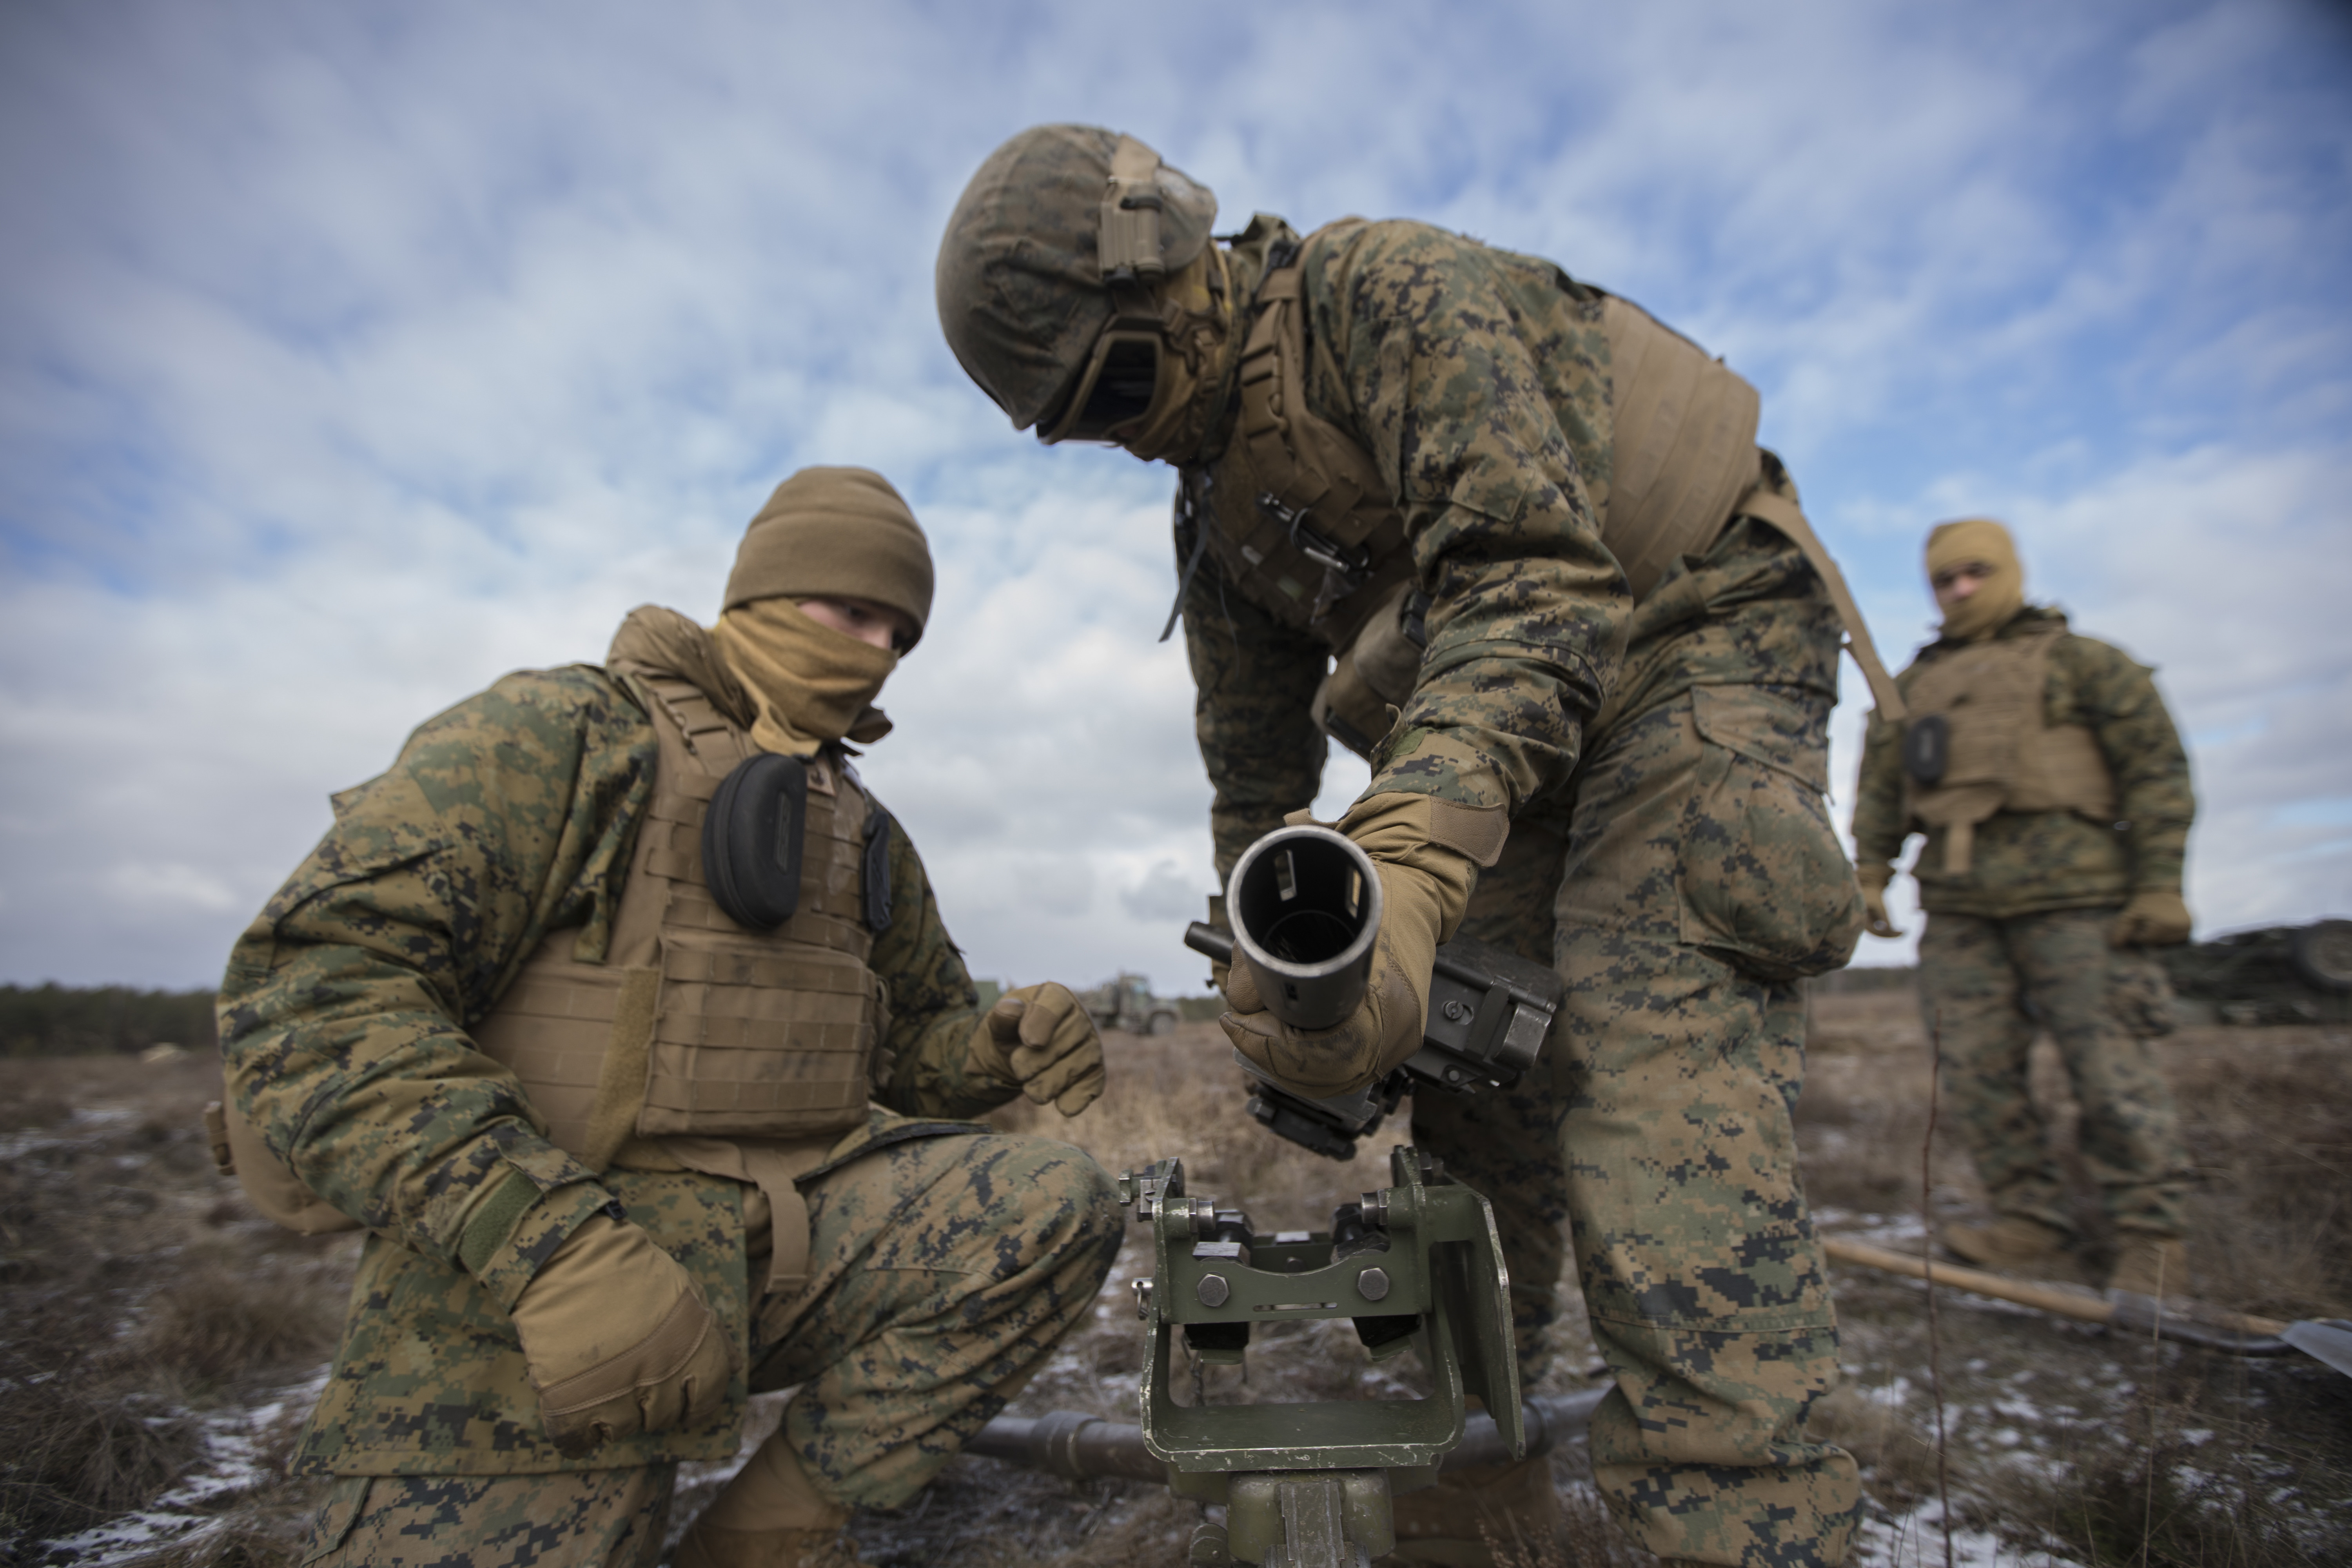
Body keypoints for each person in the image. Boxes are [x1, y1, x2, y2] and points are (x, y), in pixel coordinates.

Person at [935, 125, 1911, 1568]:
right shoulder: (1217, 517)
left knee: (1653, 1074)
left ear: (1177, 259)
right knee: (1479, 1071)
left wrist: (1409, 859)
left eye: (1123, 384)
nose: (1130, 433)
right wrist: (1278, 973)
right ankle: (1472, 1447)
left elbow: (1532, 586)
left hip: (1685, 630)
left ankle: (1747, 1521)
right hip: (1523, 714)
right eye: (1082, 424)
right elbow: (1254, 780)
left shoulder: (1379, 295)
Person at [212, 467, 1122, 1568]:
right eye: (852, 610)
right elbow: (312, 990)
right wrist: (548, 1248)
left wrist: (995, 1044)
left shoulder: (860, 826)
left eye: (899, 633)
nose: (875, 649)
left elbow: (910, 1053)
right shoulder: (564, 733)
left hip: (764, 1255)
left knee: (1050, 1207)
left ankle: (754, 1540)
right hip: (519, 1291)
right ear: (764, 594)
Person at [1850, 517, 2196, 1299]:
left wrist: (2158, 883)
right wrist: (1870, 874)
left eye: (1977, 571)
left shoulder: (2085, 664)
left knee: (2112, 1074)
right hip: (1962, 908)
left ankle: (2153, 1238)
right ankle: (2032, 1224)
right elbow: (1880, 790)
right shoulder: (1913, 686)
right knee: (1976, 1074)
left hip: (2083, 901)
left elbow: (2155, 770)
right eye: (1945, 579)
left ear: (2010, 569)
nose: (1962, 588)